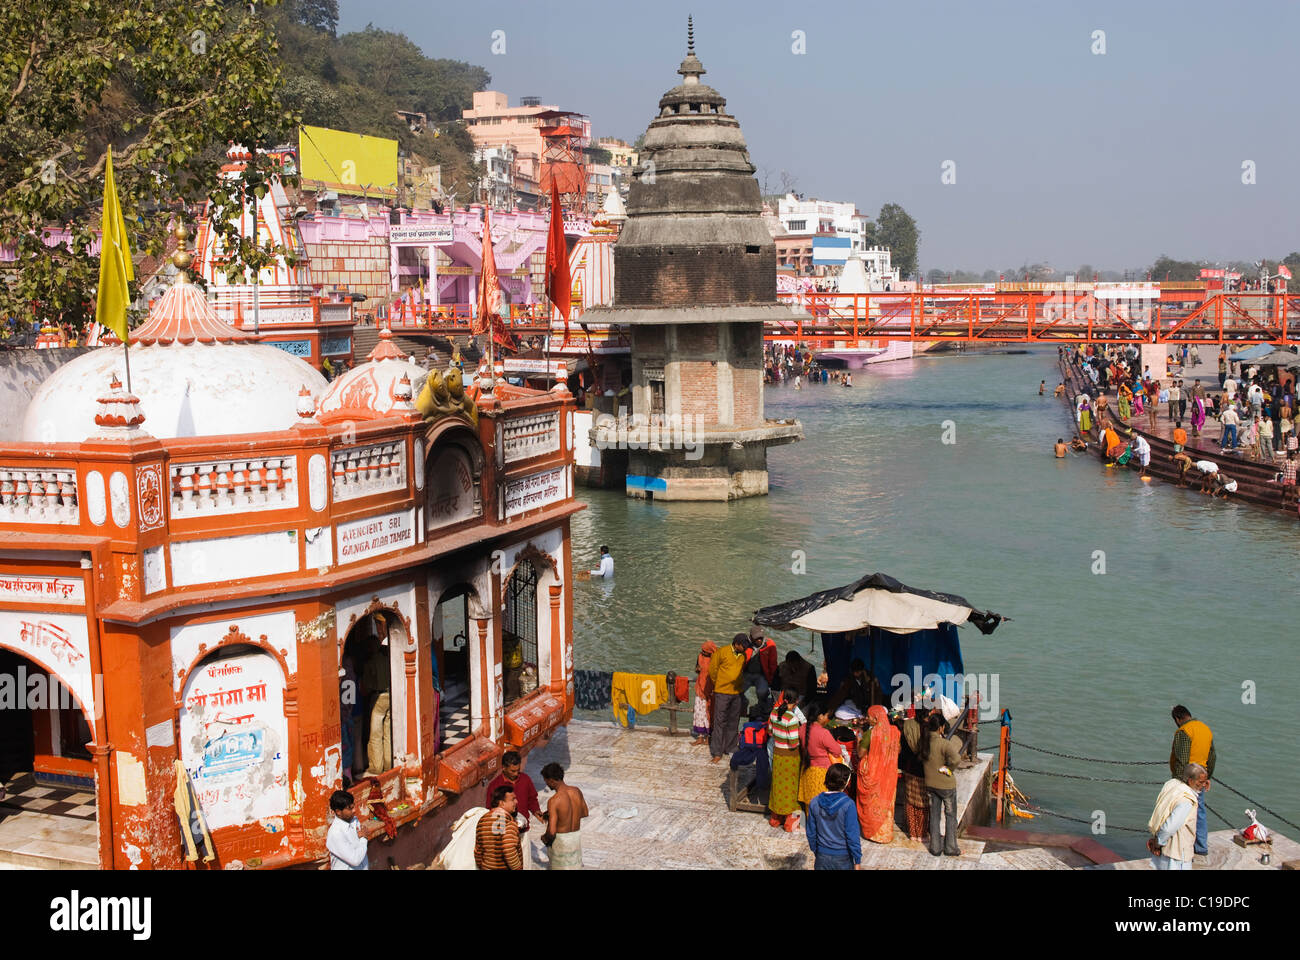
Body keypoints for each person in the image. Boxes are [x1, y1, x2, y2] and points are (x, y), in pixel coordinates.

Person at [1169, 706, 1215, 857]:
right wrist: (1207, 777)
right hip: (1201, 775)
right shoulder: (1205, 729)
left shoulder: (1184, 731)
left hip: (1188, 777)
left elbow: (1182, 759)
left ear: (1177, 719)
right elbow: (1212, 756)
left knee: (1181, 811)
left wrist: (1178, 782)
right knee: (1199, 810)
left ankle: (1181, 847)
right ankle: (1201, 846)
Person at [1147, 763, 1208, 870]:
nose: (1204, 785)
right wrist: (1158, 842)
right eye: (1201, 782)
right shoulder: (1186, 801)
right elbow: (1169, 827)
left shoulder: (1173, 787)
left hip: (1166, 850)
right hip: (1177, 855)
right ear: (1190, 781)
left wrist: (1157, 839)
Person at [855, 705, 900, 844]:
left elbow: (861, 753)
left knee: (873, 803)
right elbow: (897, 750)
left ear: (875, 718)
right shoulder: (895, 731)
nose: (867, 719)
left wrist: (858, 741)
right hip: (889, 774)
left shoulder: (871, 733)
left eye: (869, 717)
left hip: (873, 774)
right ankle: (885, 834)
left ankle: (872, 833)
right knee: (886, 803)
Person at [920, 712, 962, 857]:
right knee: (950, 815)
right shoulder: (944, 743)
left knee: (935, 815)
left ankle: (935, 847)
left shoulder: (924, 741)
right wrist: (948, 769)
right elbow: (957, 759)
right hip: (946, 786)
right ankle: (950, 847)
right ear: (941, 728)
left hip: (930, 784)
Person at [804, 763, 861, 870]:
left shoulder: (815, 802)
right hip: (843, 857)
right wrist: (857, 860)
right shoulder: (848, 804)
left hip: (821, 855)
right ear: (846, 783)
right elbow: (852, 835)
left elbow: (811, 832)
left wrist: (817, 851)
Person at [767, 688, 804, 831]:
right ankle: (789, 822)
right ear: (796, 702)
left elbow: (770, 732)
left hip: (777, 754)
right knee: (790, 787)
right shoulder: (792, 719)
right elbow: (794, 742)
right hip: (790, 757)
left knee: (777, 785)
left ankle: (775, 818)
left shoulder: (773, 713)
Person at [485, 751, 544, 841]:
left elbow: (532, 799)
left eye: (518, 770)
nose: (516, 774)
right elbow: (490, 809)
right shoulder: (495, 786)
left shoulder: (525, 779)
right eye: (513, 771)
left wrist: (536, 811)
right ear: (504, 768)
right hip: (504, 834)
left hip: (523, 831)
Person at [707, 634, 748, 764]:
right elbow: (712, 670)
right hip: (722, 692)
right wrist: (719, 683)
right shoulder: (722, 652)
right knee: (719, 721)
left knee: (733, 721)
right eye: (743, 645)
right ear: (736, 644)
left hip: (736, 692)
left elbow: (742, 670)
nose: (745, 648)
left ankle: (731, 748)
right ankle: (717, 752)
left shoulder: (743, 655)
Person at [540, 762, 587, 869]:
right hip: (575, 838)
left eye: (546, 781)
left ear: (551, 780)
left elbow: (551, 832)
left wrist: (544, 838)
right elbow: (585, 812)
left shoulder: (554, 801)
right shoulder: (576, 791)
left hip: (561, 843)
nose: (546, 784)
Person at [797, 700, 841, 808]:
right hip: (821, 772)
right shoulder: (823, 733)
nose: (827, 719)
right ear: (820, 716)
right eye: (826, 716)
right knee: (821, 804)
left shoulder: (802, 728)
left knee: (809, 803)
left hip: (806, 769)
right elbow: (837, 751)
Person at [897, 708, 929, 840]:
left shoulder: (907, 726)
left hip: (909, 767)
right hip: (924, 769)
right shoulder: (928, 727)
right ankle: (922, 833)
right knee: (924, 802)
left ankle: (913, 833)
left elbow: (902, 748)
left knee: (910, 800)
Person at [475, 784, 523, 870]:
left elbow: (478, 851)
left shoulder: (482, 820)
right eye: (513, 799)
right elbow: (509, 849)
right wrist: (518, 868)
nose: (516, 802)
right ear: (502, 803)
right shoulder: (508, 823)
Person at [738, 625, 777, 716]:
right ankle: (743, 703)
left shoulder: (770, 644)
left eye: (761, 638)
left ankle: (762, 708)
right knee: (737, 691)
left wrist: (772, 680)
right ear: (751, 638)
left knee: (762, 692)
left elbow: (773, 664)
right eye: (757, 638)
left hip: (762, 675)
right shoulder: (745, 644)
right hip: (746, 674)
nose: (759, 640)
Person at [326, 789, 369, 870]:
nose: (354, 810)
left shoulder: (354, 820)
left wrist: (361, 838)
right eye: (350, 808)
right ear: (338, 812)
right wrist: (364, 838)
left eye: (353, 806)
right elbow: (355, 860)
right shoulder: (335, 833)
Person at [691, 640, 718, 745]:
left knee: (709, 712)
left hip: (711, 689)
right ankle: (700, 736)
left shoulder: (715, 659)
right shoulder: (700, 656)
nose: (703, 652)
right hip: (700, 687)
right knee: (699, 712)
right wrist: (698, 669)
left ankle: (708, 737)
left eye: (705, 651)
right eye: (702, 651)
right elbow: (697, 669)